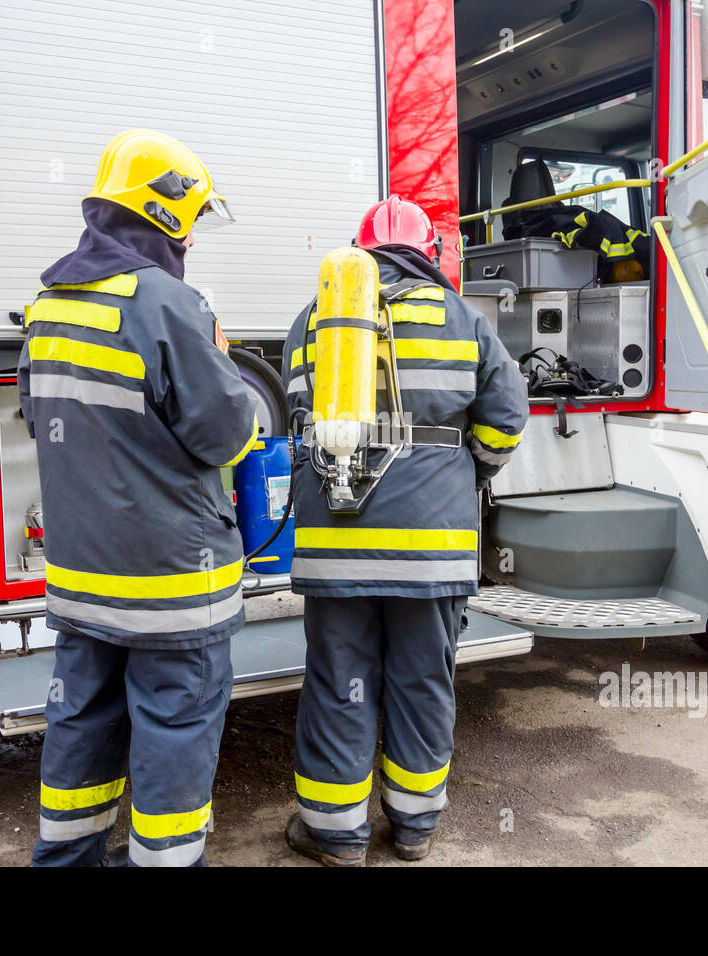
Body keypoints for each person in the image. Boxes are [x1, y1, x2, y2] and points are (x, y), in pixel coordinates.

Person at [20, 129, 258, 867]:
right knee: (174, 729)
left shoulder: (46, 305)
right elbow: (226, 435)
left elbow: (42, 421)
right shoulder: (165, 302)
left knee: (82, 720)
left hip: (84, 577)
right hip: (171, 580)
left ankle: (65, 858)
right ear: (169, 212)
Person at [281, 195, 529, 865]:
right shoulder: (462, 318)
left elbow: (296, 414)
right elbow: (507, 417)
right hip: (431, 549)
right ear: (430, 254)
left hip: (335, 547)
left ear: (358, 251)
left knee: (340, 680)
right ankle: (414, 829)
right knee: (422, 680)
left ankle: (335, 834)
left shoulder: (316, 321)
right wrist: (463, 471)